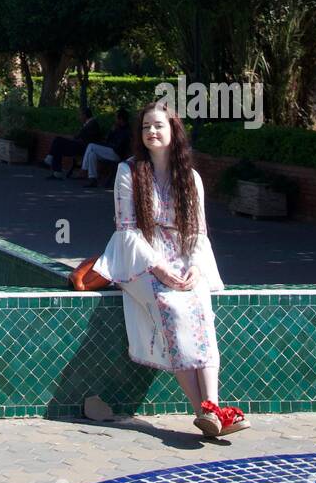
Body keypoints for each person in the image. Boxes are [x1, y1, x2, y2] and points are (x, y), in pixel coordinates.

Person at [93, 100, 248, 440]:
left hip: (184, 257)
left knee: (201, 308)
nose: (151, 131)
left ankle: (213, 407)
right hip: (141, 258)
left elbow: (196, 231)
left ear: (173, 131)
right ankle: (202, 411)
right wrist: (160, 270)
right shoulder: (128, 171)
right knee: (174, 309)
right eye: (146, 126)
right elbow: (128, 229)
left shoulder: (189, 177)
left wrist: (194, 266)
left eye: (158, 125)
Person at [79, 107, 132, 187]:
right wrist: (112, 131)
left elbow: (118, 146)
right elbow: (108, 141)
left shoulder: (126, 131)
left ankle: (83, 169)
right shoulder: (117, 128)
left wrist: (107, 145)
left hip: (117, 154)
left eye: (116, 118)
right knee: (91, 155)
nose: (115, 120)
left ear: (121, 119)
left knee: (91, 146)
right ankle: (92, 179)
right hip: (111, 151)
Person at [44, 106, 102, 180]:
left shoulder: (92, 124)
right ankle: (55, 170)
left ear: (84, 115)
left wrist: (75, 138)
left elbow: (80, 136)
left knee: (58, 141)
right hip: (79, 145)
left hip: (83, 148)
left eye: (80, 115)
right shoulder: (89, 123)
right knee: (57, 145)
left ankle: (50, 160)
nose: (79, 117)